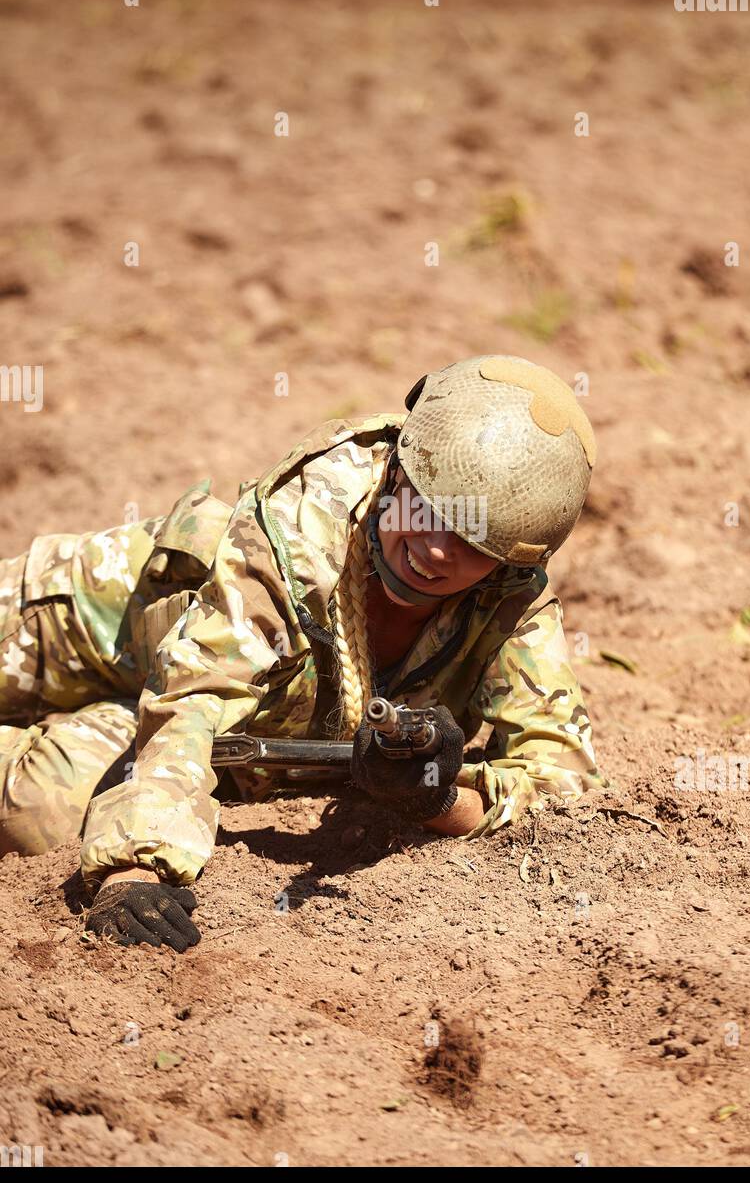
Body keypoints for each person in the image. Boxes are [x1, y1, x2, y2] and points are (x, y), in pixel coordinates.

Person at [0, 354, 604, 951]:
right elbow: (198, 691)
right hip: (94, 613)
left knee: (40, 815)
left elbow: (562, 793)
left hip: (223, 718)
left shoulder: (511, 602)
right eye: (428, 509)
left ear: (511, 561)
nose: (438, 550)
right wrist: (137, 868)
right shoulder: (300, 525)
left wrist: (436, 797)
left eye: (473, 541)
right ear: (397, 470)